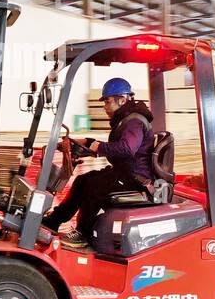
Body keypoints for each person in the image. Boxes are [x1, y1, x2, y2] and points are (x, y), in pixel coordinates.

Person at [42, 77, 154, 247]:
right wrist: (86, 143)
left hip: (135, 179)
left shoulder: (134, 121)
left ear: (122, 100)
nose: (105, 106)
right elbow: (115, 148)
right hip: (123, 173)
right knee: (82, 180)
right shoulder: (126, 120)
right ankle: (53, 221)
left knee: (95, 186)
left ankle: (83, 233)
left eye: (108, 102)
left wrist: (97, 146)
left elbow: (127, 149)